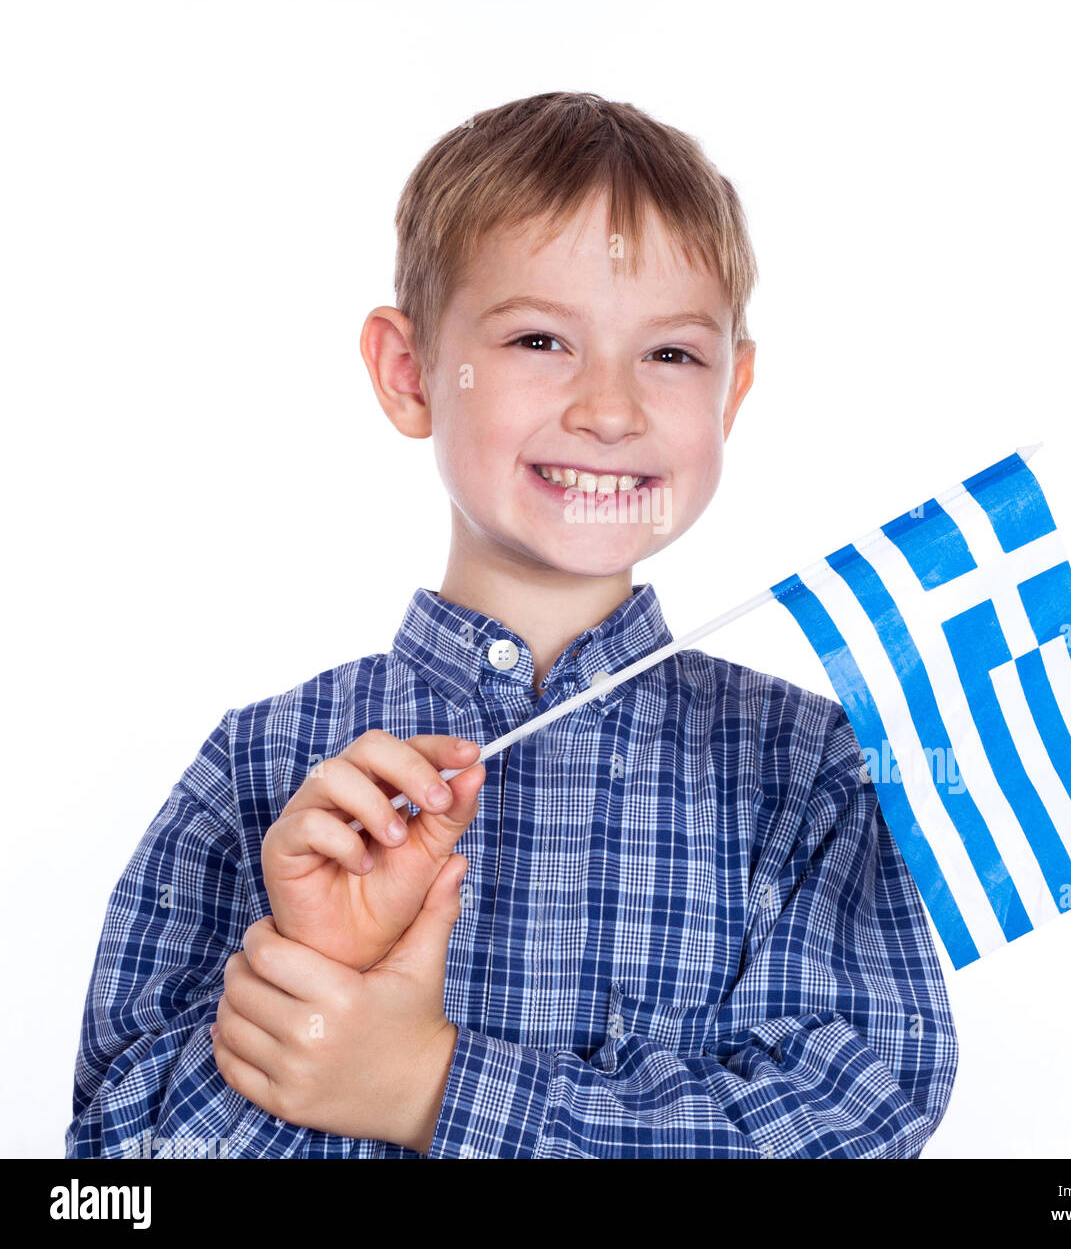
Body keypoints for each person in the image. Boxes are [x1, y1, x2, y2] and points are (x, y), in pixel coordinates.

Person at [66, 91, 959, 1158]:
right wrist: (314, 975)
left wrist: (433, 1089)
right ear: (410, 373)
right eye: (541, 339)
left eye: (671, 355)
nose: (611, 407)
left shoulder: (813, 775)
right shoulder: (264, 765)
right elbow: (107, 1176)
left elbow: (854, 1124)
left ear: (732, 391)